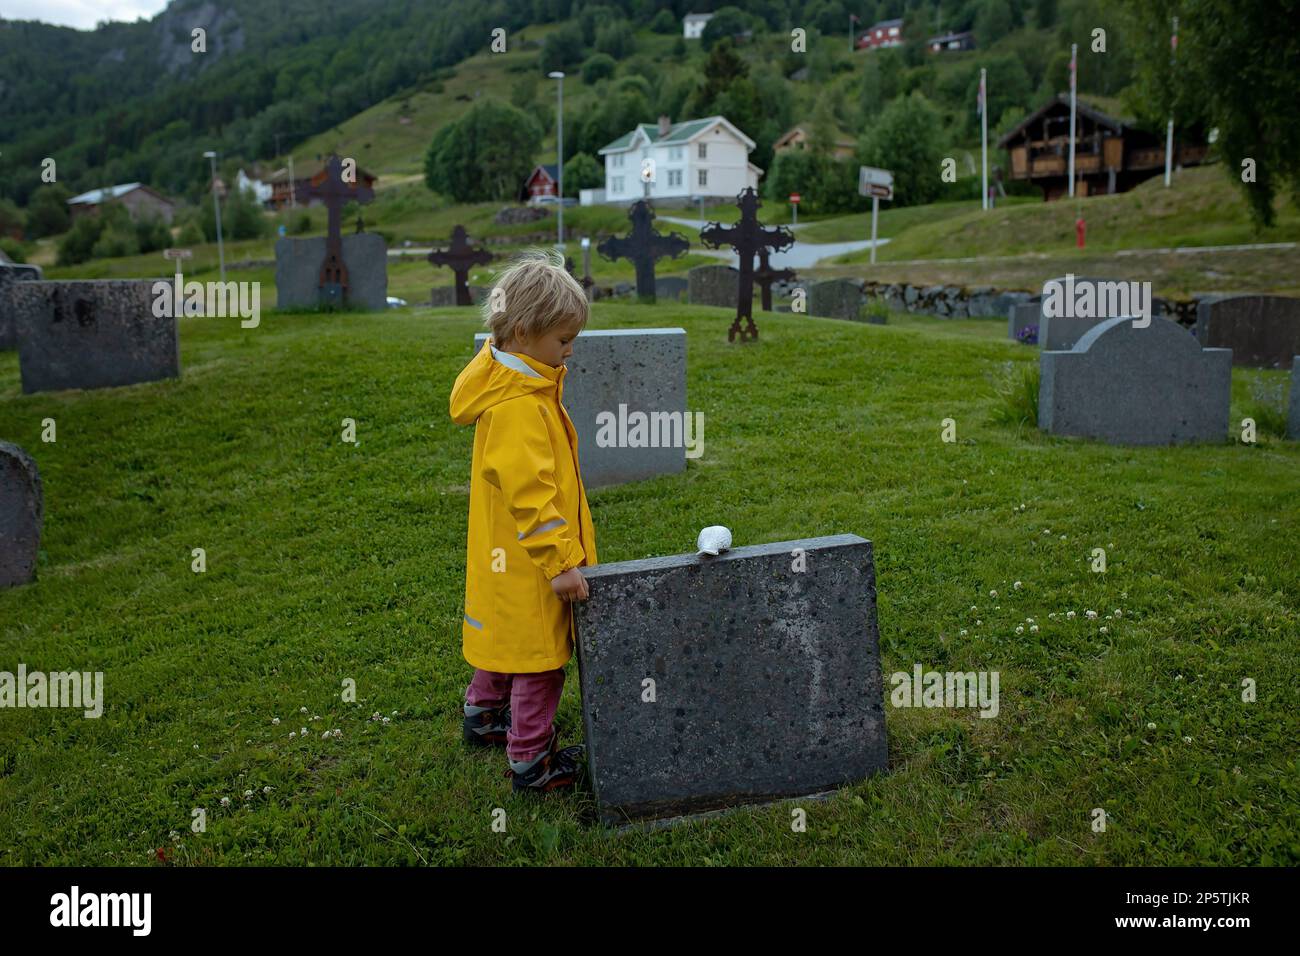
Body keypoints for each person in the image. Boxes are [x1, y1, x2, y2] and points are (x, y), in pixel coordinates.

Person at [448, 249, 597, 793]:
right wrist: (561, 563)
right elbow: (532, 495)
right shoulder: (518, 405)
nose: (570, 351)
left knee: (508, 641)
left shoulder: (511, 383)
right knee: (539, 660)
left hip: (506, 560)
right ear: (524, 330)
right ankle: (532, 760)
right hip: (532, 564)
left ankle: (483, 715)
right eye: (563, 340)